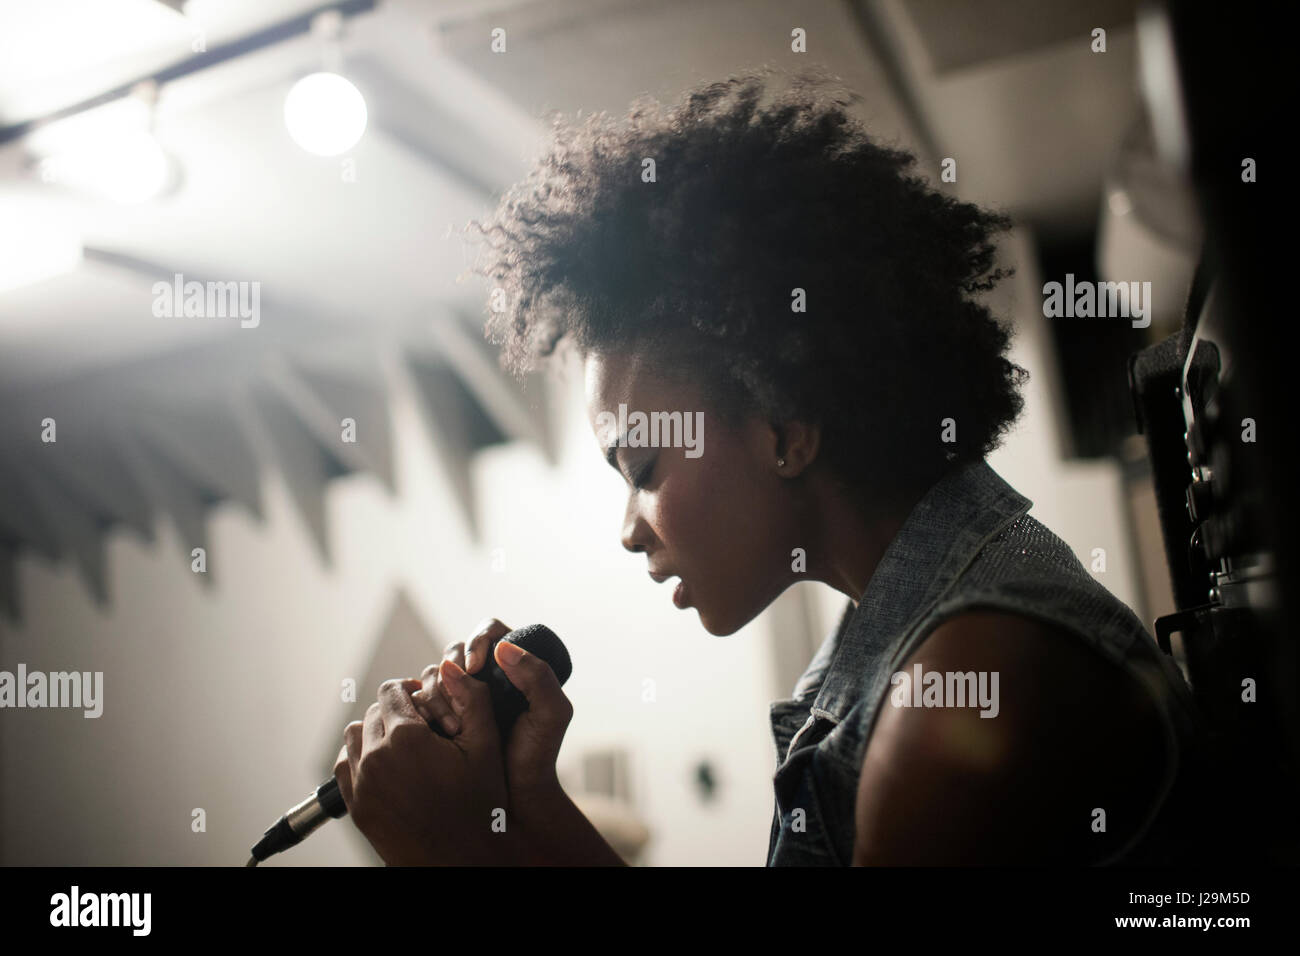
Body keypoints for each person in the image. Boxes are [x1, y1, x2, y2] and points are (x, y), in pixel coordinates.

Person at [332, 67, 1204, 866]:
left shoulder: (962, 693)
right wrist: (527, 807)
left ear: (785, 430)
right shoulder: (894, 646)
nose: (630, 531)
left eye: (643, 468)